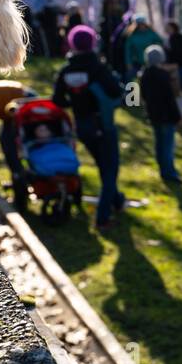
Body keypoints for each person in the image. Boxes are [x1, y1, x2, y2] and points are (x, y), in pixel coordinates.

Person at [52, 25, 126, 231]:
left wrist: (76, 102)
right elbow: (116, 92)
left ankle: (117, 201)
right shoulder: (98, 68)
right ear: (93, 43)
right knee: (110, 170)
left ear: (72, 44)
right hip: (103, 125)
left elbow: (58, 100)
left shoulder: (66, 71)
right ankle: (103, 218)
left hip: (83, 127)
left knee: (104, 165)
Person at [140, 44, 182, 183]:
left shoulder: (144, 75)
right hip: (166, 115)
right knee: (167, 146)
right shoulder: (163, 76)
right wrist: (177, 116)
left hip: (153, 114)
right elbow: (170, 98)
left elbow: (143, 96)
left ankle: (163, 169)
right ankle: (169, 172)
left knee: (159, 143)